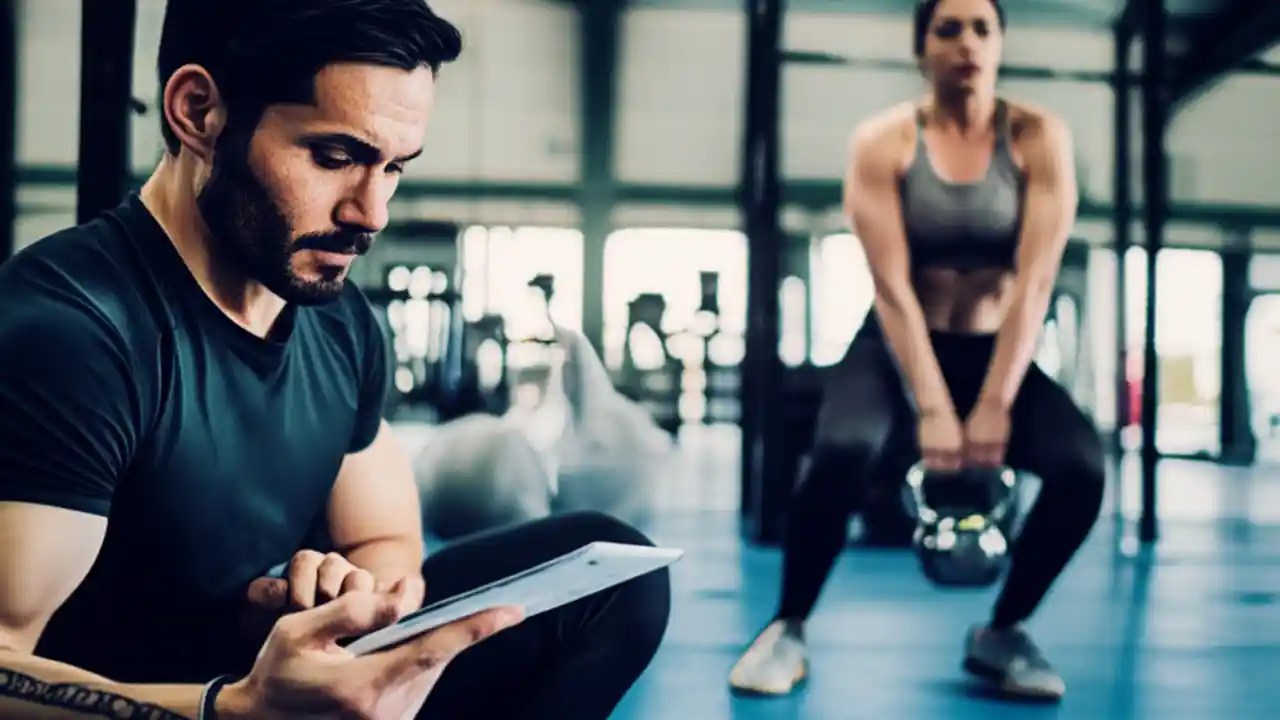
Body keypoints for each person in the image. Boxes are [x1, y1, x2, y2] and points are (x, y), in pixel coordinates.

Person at [0, 2, 670, 718]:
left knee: (610, 575)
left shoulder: (337, 320)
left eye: (394, 168)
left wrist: (350, 606)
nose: (371, 212)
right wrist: (231, 708)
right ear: (198, 113)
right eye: (336, 157)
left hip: (275, 680)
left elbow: (384, 537)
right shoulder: (72, 333)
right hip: (179, 707)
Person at [728, 0, 1104, 702]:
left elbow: (1037, 280)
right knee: (840, 449)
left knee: (1083, 467)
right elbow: (891, 284)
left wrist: (994, 401)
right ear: (921, 47)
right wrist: (932, 406)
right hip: (893, 344)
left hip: (998, 348)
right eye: (948, 28)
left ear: (1001, 45)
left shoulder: (1037, 137)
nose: (967, 42)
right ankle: (788, 627)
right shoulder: (885, 140)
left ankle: (1004, 629)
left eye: (982, 28)